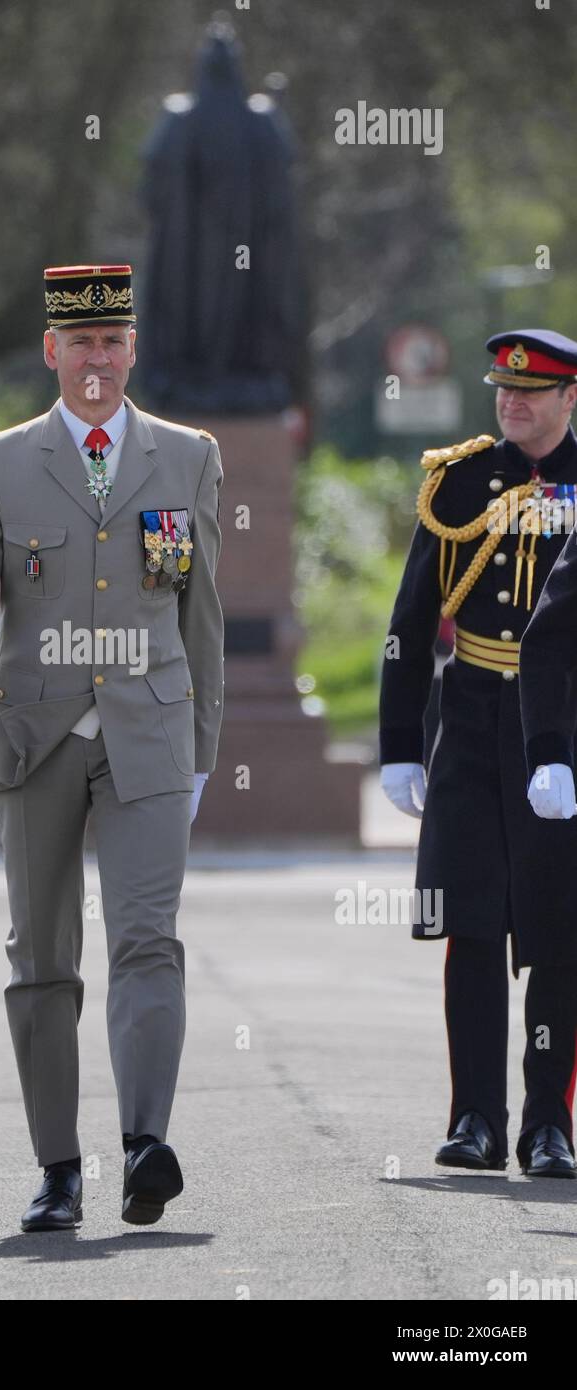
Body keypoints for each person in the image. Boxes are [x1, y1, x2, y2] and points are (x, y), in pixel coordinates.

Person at [0, 264, 225, 1229]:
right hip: (32, 737)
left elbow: (202, 615)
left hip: (148, 732)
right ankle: (58, 1167)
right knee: (41, 957)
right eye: (78, 344)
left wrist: (203, 747)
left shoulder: (187, 457)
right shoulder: (0, 463)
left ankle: (144, 1145)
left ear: (131, 349)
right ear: (50, 351)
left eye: (112, 343)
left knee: (148, 940)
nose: (96, 361)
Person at [380, 330, 577, 1178]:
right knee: (469, 922)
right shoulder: (459, 480)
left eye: (532, 392)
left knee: (558, 928)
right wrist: (397, 745)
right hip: (465, 719)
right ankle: (474, 1119)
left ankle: (547, 1124)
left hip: (561, 730)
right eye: (503, 389)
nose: (513, 402)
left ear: (570, 398)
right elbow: (411, 619)